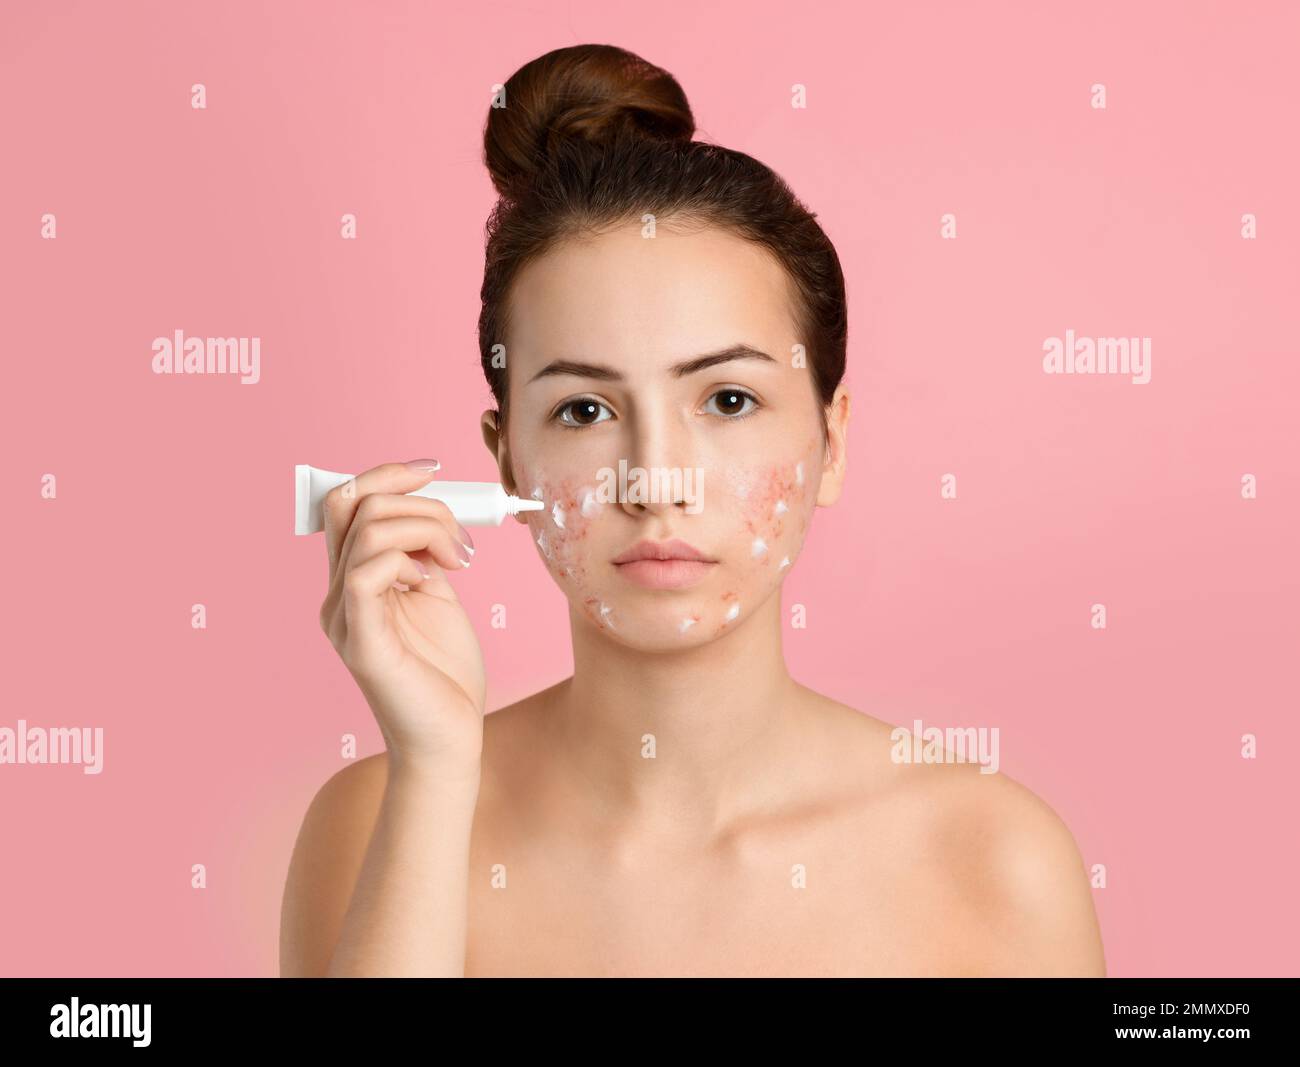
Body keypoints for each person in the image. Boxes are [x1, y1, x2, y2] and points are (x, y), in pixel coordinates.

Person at [279, 43, 1105, 977]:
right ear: (504, 454)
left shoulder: (993, 860)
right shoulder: (378, 822)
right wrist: (433, 769)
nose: (653, 479)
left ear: (831, 441)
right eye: (584, 411)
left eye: (727, 400)